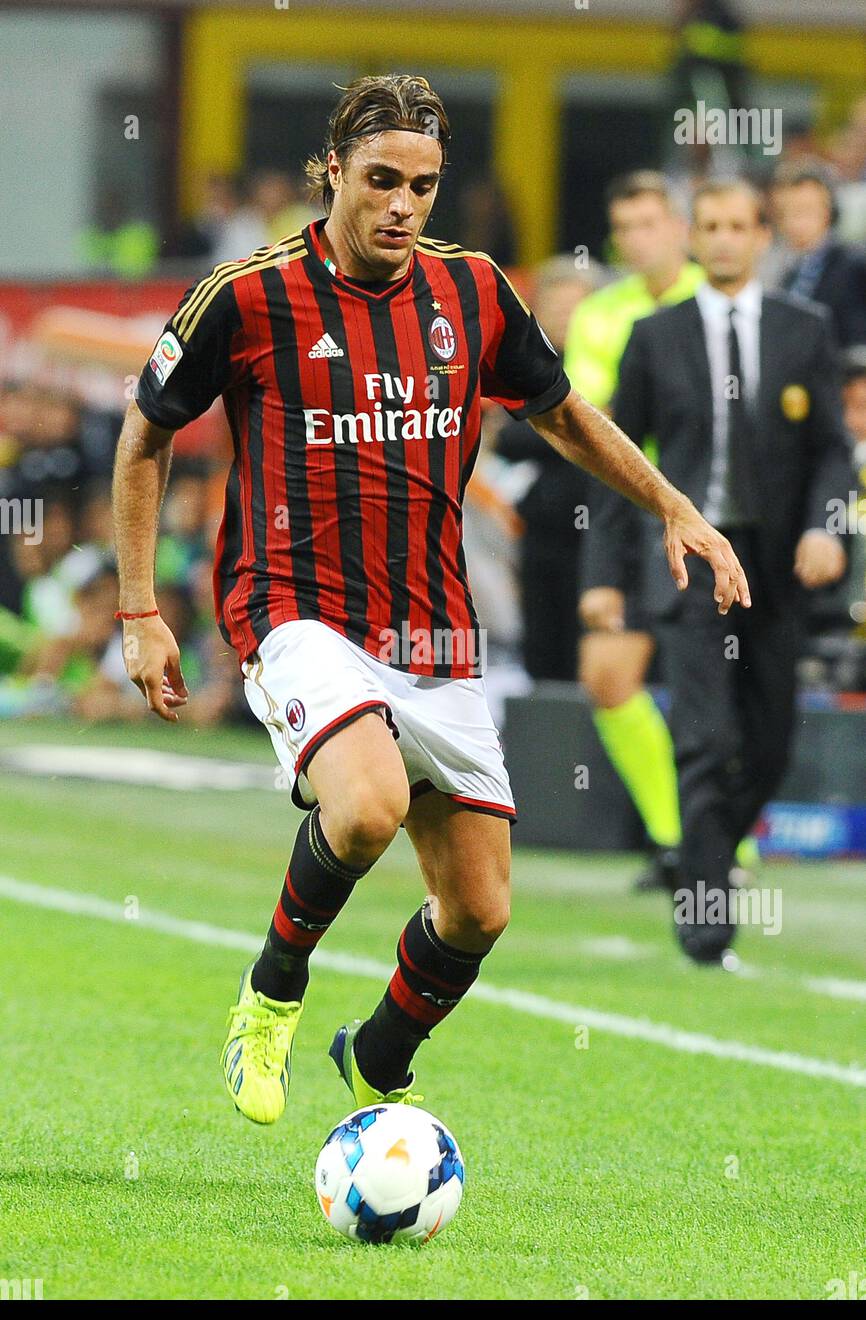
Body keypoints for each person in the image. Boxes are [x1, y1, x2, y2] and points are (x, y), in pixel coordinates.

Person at [113, 75, 748, 1129]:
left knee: (479, 909)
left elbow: (561, 411)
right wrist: (139, 608)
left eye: (423, 185)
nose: (402, 204)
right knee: (367, 804)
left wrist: (672, 504)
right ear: (333, 172)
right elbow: (146, 432)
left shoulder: (474, 291)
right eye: (380, 180)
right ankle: (270, 993)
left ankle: (376, 1054)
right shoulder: (248, 295)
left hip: (431, 626)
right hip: (293, 606)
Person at [582, 179, 850, 964]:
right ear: (693, 237)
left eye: (739, 225)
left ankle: (705, 852)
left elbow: (834, 451)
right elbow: (616, 463)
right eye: (711, 226)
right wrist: (603, 576)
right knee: (706, 738)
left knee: (769, 746)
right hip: (690, 562)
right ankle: (705, 921)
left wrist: (826, 526)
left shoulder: (806, 330)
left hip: (776, 566)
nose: (725, 239)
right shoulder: (654, 336)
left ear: (764, 236)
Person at [566, 171, 705, 887]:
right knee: (607, 674)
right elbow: (592, 424)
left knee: (710, 681)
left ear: (680, 228)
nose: (637, 240)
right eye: (625, 229)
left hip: (709, 506)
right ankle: (674, 838)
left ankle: (722, 848)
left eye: (650, 224)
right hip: (627, 506)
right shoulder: (600, 315)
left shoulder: (715, 301)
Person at [494, 255, 605, 681]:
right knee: (542, 650)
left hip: (600, 532)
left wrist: (545, 432)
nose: (563, 317)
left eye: (574, 307)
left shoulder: (611, 360)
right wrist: (571, 432)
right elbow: (504, 437)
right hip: (542, 531)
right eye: (553, 306)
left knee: (590, 646)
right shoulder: (526, 363)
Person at [774, 161, 866, 349]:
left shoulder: (854, 265)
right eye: (786, 212)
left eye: (804, 211)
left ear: (828, 211)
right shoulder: (788, 274)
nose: (794, 223)